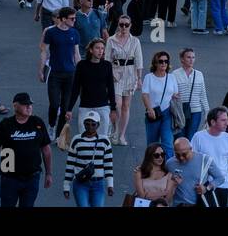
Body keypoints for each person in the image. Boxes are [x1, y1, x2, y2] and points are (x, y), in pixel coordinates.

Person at [0, 92, 52, 208]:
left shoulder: (37, 122)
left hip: (32, 177)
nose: (29, 107)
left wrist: (48, 173)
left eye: (30, 104)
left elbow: (46, 149)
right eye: (25, 104)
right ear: (15, 106)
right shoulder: (6, 124)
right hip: (10, 177)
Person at [40, 7, 81, 138]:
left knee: (65, 107)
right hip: (55, 74)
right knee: (54, 104)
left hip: (70, 74)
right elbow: (44, 52)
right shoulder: (51, 32)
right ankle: (51, 125)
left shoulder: (74, 33)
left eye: (75, 18)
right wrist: (41, 70)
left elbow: (77, 54)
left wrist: (80, 72)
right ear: (63, 19)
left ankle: (59, 134)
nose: (74, 20)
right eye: (72, 18)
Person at [190, 107, 228, 206]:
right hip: (203, 185)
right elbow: (191, 160)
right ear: (213, 122)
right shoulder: (198, 137)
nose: (227, 123)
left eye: (227, 120)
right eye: (223, 120)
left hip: (223, 185)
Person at [62, 110, 115, 207]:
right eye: (87, 124)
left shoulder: (105, 141)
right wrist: (66, 186)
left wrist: (110, 185)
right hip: (81, 183)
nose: (90, 127)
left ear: (98, 125)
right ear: (83, 124)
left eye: (93, 124)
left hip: (98, 183)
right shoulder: (77, 140)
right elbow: (70, 164)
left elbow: (108, 165)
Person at [69, 38, 117, 139]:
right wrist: (69, 109)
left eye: (102, 48)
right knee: (83, 137)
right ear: (91, 50)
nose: (100, 51)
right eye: (97, 48)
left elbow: (111, 88)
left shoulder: (107, 65)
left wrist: (113, 108)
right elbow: (76, 88)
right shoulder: (82, 65)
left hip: (103, 106)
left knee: (103, 138)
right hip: (85, 106)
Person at [106, 16, 142, 146]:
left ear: (131, 25)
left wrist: (139, 78)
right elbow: (107, 59)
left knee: (126, 106)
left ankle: (121, 135)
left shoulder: (135, 41)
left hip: (130, 73)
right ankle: (115, 130)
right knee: (116, 104)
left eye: (127, 25)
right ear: (118, 25)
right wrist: (107, 76)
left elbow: (139, 60)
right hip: (115, 73)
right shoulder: (111, 40)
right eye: (121, 24)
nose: (124, 27)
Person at [141, 51, 180, 155]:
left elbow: (175, 94)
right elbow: (145, 94)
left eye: (166, 61)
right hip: (153, 113)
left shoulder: (171, 77)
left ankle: (168, 167)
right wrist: (149, 109)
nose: (163, 63)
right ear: (155, 63)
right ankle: (151, 167)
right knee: (152, 144)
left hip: (167, 113)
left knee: (168, 143)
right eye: (161, 61)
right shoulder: (149, 77)